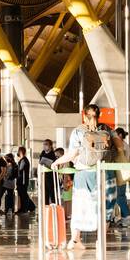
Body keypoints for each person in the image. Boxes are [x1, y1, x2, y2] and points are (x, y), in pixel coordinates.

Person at [50, 103, 113, 250]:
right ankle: (100, 240)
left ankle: (76, 240)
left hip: (84, 174)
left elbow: (73, 154)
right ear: (99, 115)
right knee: (104, 207)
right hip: (104, 173)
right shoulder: (107, 130)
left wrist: (57, 162)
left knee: (80, 206)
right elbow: (119, 146)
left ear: (84, 116)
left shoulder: (79, 131)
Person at [15, 146, 34, 214]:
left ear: (20, 152)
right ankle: (29, 207)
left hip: (22, 180)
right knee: (22, 194)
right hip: (20, 180)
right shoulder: (22, 160)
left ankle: (25, 208)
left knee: (23, 195)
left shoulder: (24, 160)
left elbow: (20, 169)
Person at [37, 139, 57, 203]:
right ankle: (46, 209)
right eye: (44, 144)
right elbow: (40, 162)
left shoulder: (53, 154)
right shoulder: (42, 153)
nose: (44, 146)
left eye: (46, 144)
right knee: (45, 195)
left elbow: (53, 164)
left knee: (52, 194)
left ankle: (54, 209)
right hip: (43, 176)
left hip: (51, 177)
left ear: (50, 146)